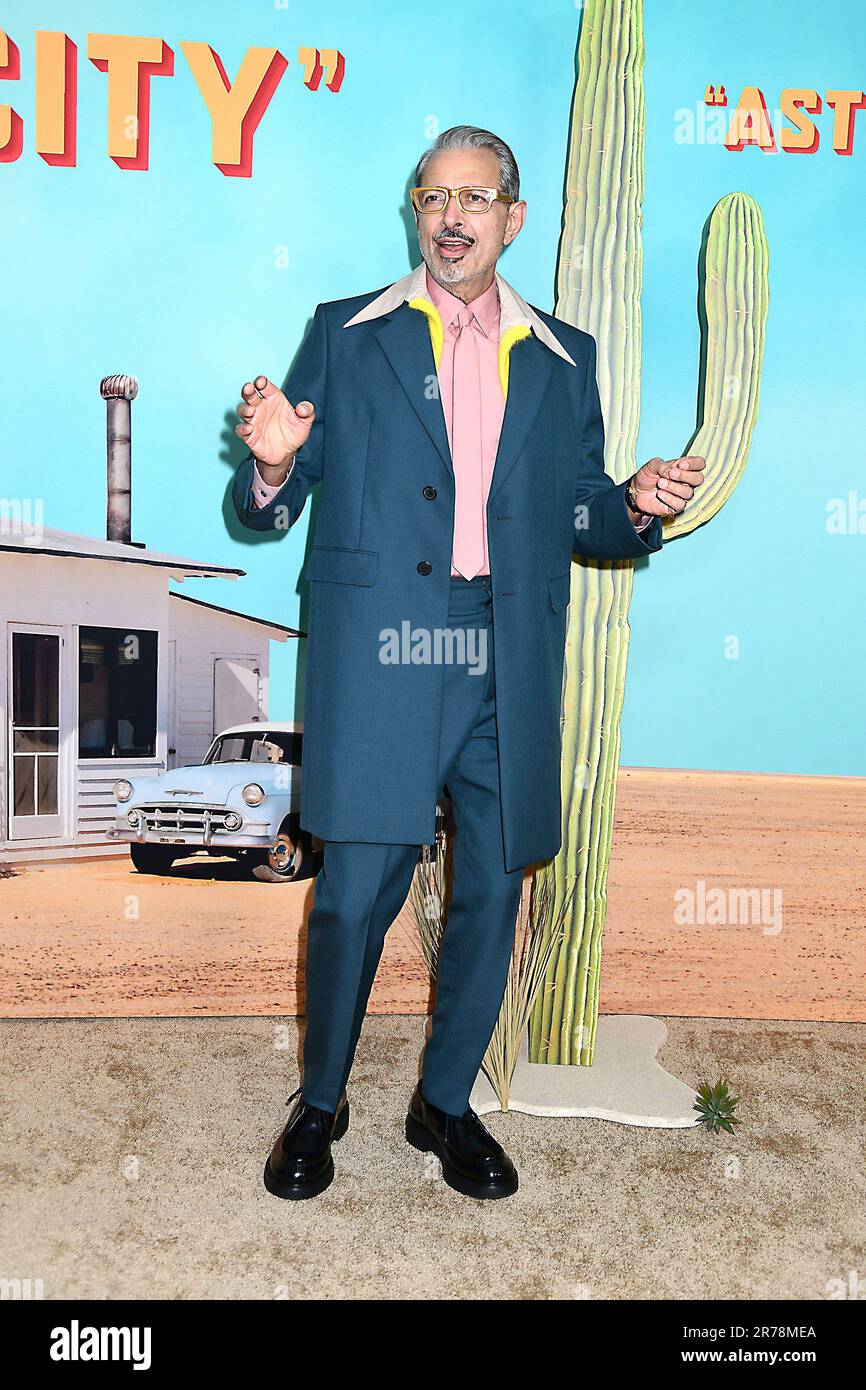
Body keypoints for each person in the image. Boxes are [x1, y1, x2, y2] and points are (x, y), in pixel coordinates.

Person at [232, 125, 705, 1201]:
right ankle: (321, 1101)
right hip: (386, 646)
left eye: (475, 198)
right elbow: (274, 498)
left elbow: (575, 505)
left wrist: (626, 502)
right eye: (434, 196)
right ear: (415, 209)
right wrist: (271, 464)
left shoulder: (562, 355)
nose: (452, 217)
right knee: (355, 891)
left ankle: (442, 1105)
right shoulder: (345, 336)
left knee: (492, 885)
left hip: (509, 650)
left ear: (512, 217)